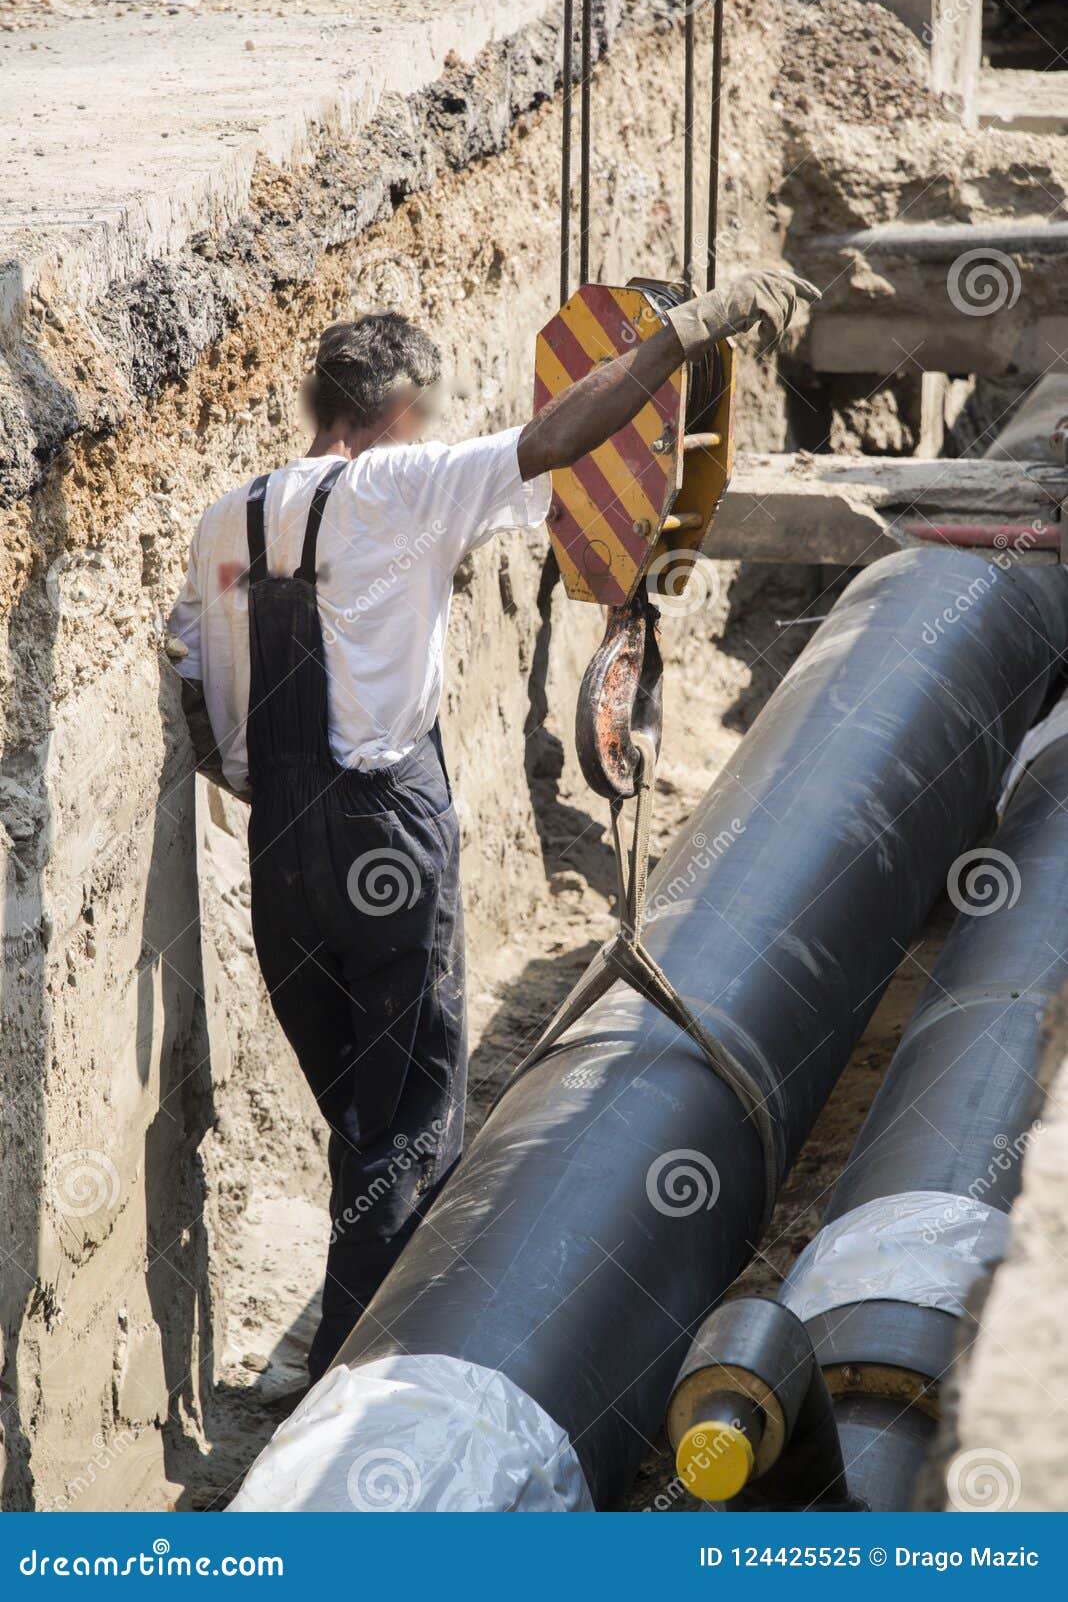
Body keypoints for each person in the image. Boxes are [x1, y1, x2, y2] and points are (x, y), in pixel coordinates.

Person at [167, 266, 818, 1382]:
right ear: (398, 409)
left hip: (280, 846)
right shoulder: (403, 484)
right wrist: (688, 330)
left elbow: (195, 682)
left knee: (361, 1111)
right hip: (386, 828)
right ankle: (364, 1374)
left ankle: (345, 1336)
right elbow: (562, 434)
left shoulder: (227, 518)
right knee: (413, 1113)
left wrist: (271, 796)